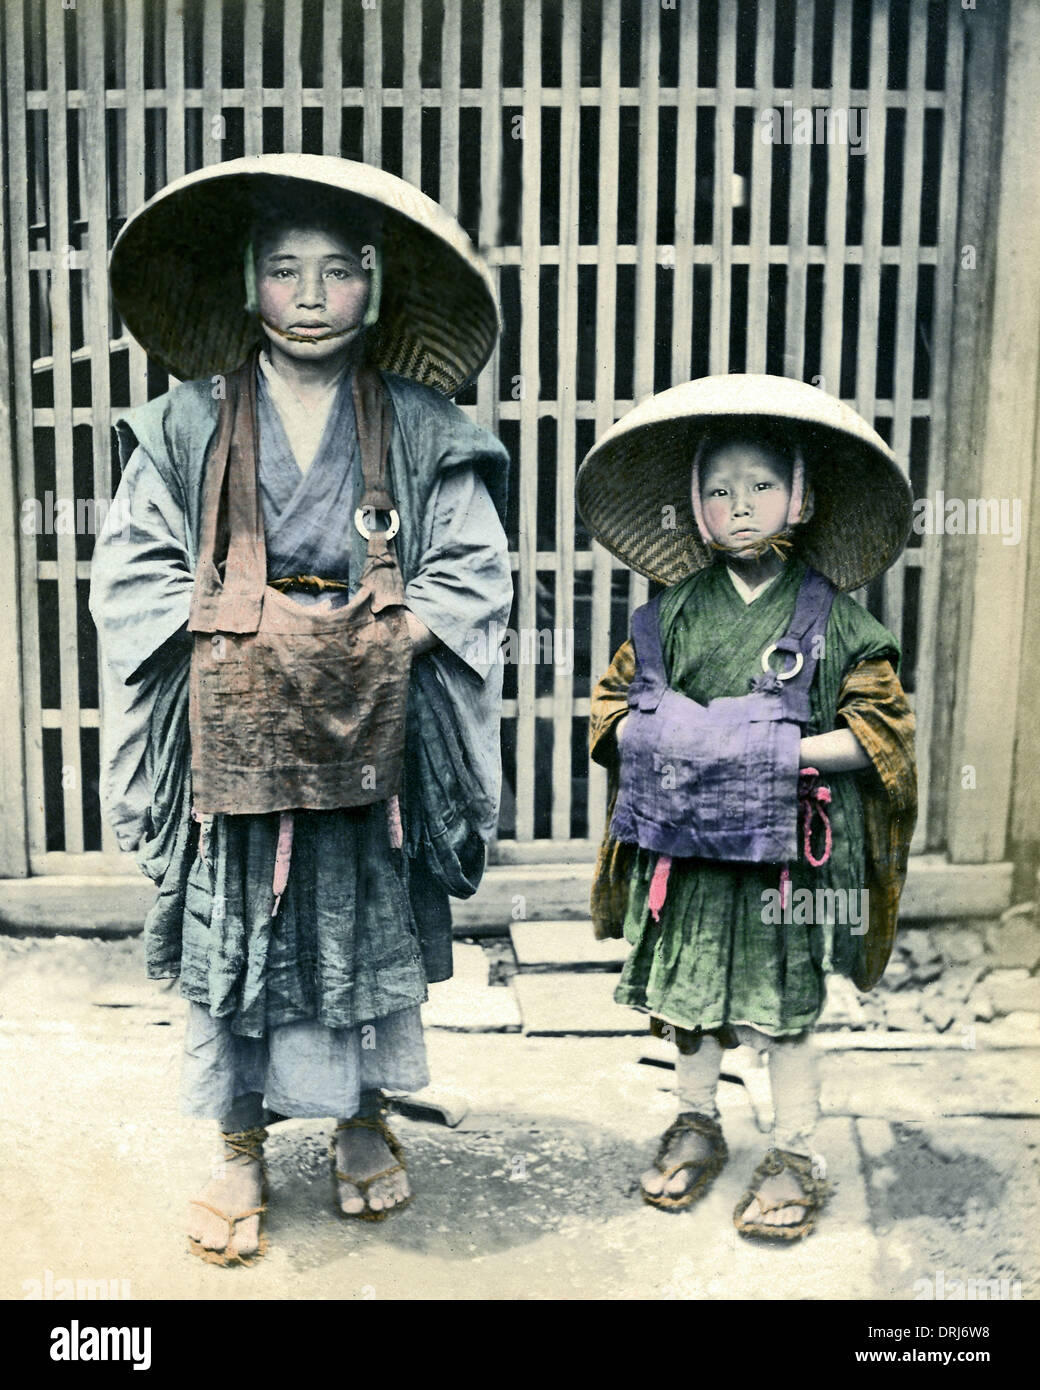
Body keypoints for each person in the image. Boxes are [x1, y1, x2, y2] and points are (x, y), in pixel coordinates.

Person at [90, 155, 512, 1264]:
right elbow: (130, 574)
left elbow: (473, 569)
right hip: (234, 713)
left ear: (374, 284)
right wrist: (238, 630)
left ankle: (360, 1116)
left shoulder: (421, 424)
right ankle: (237, 1142)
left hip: (370, 713)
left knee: (363, 919)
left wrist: (386, 637)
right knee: (235, 927)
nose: (313, 296)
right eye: (285, 271)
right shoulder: (185, 424)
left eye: (337, 271)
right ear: (246, 288)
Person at [577, 375, 917, 1240]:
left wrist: (769, 751)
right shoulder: (670, 616)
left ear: (800, 495)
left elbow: (880, 732)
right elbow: (613, 714)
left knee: (784, 1003)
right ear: (693, 507)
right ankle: (697, 1121)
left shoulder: (836, 620)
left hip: (787, 855)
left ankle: (797, 1149)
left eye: (761, 485)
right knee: (690, 1000)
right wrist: (680, 742)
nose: (739, 505)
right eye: (718, 489)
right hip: (688, 850)